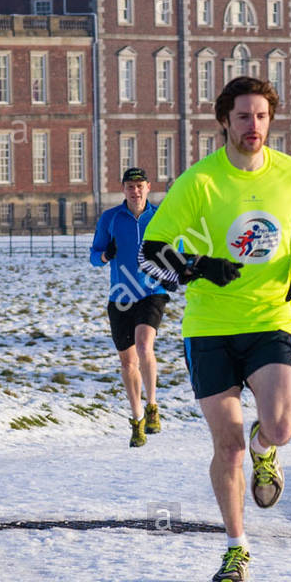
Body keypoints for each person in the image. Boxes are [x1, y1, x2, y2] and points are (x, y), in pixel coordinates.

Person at [139, 77, 291, 582]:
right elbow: (151, 251)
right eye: (243, 117)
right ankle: (236, 548)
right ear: (224, 120)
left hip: (272, 319)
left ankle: (267, 451)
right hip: (211, 330)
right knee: (227, 448)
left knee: (283, 427)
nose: (254, 127)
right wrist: (197, 266)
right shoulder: (199, 181)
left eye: (262, 116)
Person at [89, 167, 171, 447]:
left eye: (140, 186)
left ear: (149, 187)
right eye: (130, 186)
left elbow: (178, 247)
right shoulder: (110, 219)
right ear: (123, 189)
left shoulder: (162, 216)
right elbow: (93, 256)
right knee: (127, 362)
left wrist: (172, 273)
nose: (135, 191)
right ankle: (136, 420)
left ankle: (152, 405)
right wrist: (104, 255)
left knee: (145, 345)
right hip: (120, 297)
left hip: (152, 291)